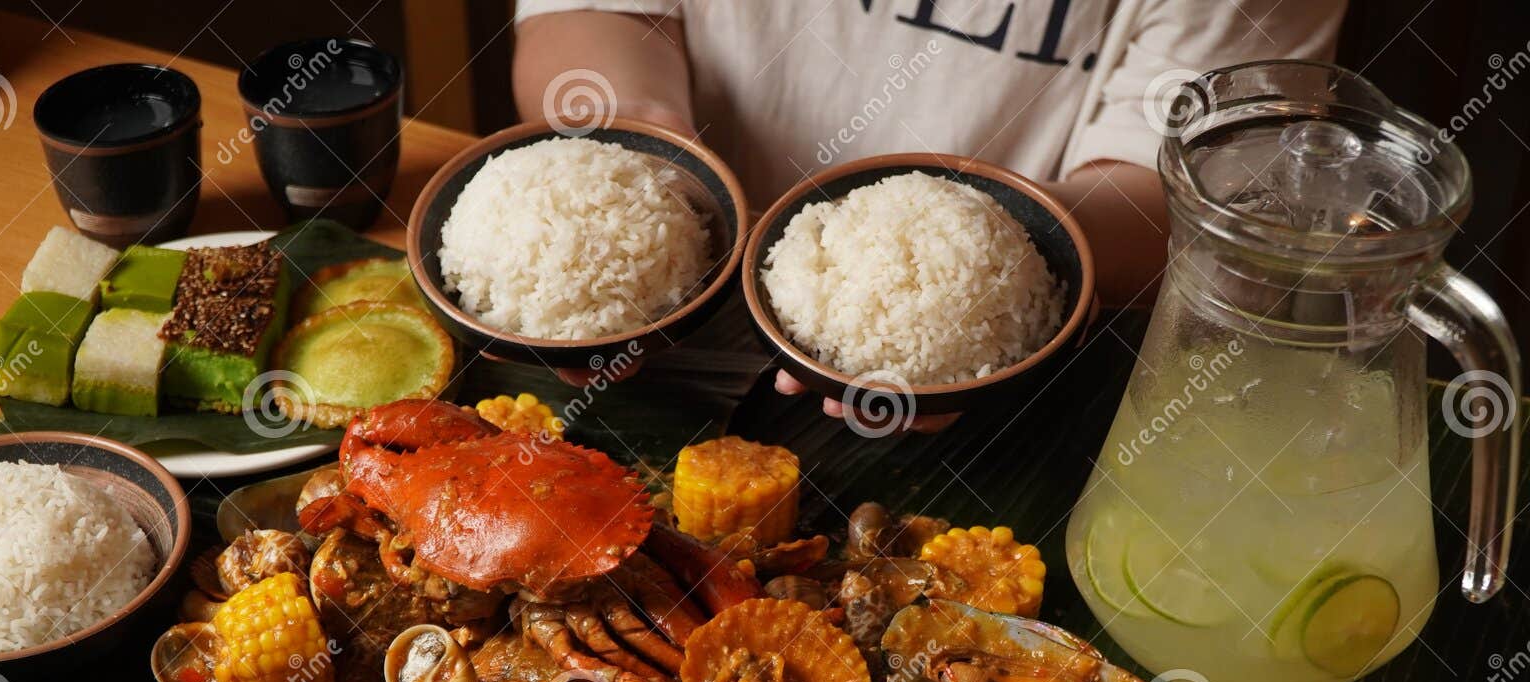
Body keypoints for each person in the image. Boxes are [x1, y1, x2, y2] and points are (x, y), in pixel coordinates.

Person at [512, 0, 1345, 428]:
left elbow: (1182, 197)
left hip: (1033, 381)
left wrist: (996, 273)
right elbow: (587, 16)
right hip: (678, 333)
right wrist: (649, 169)